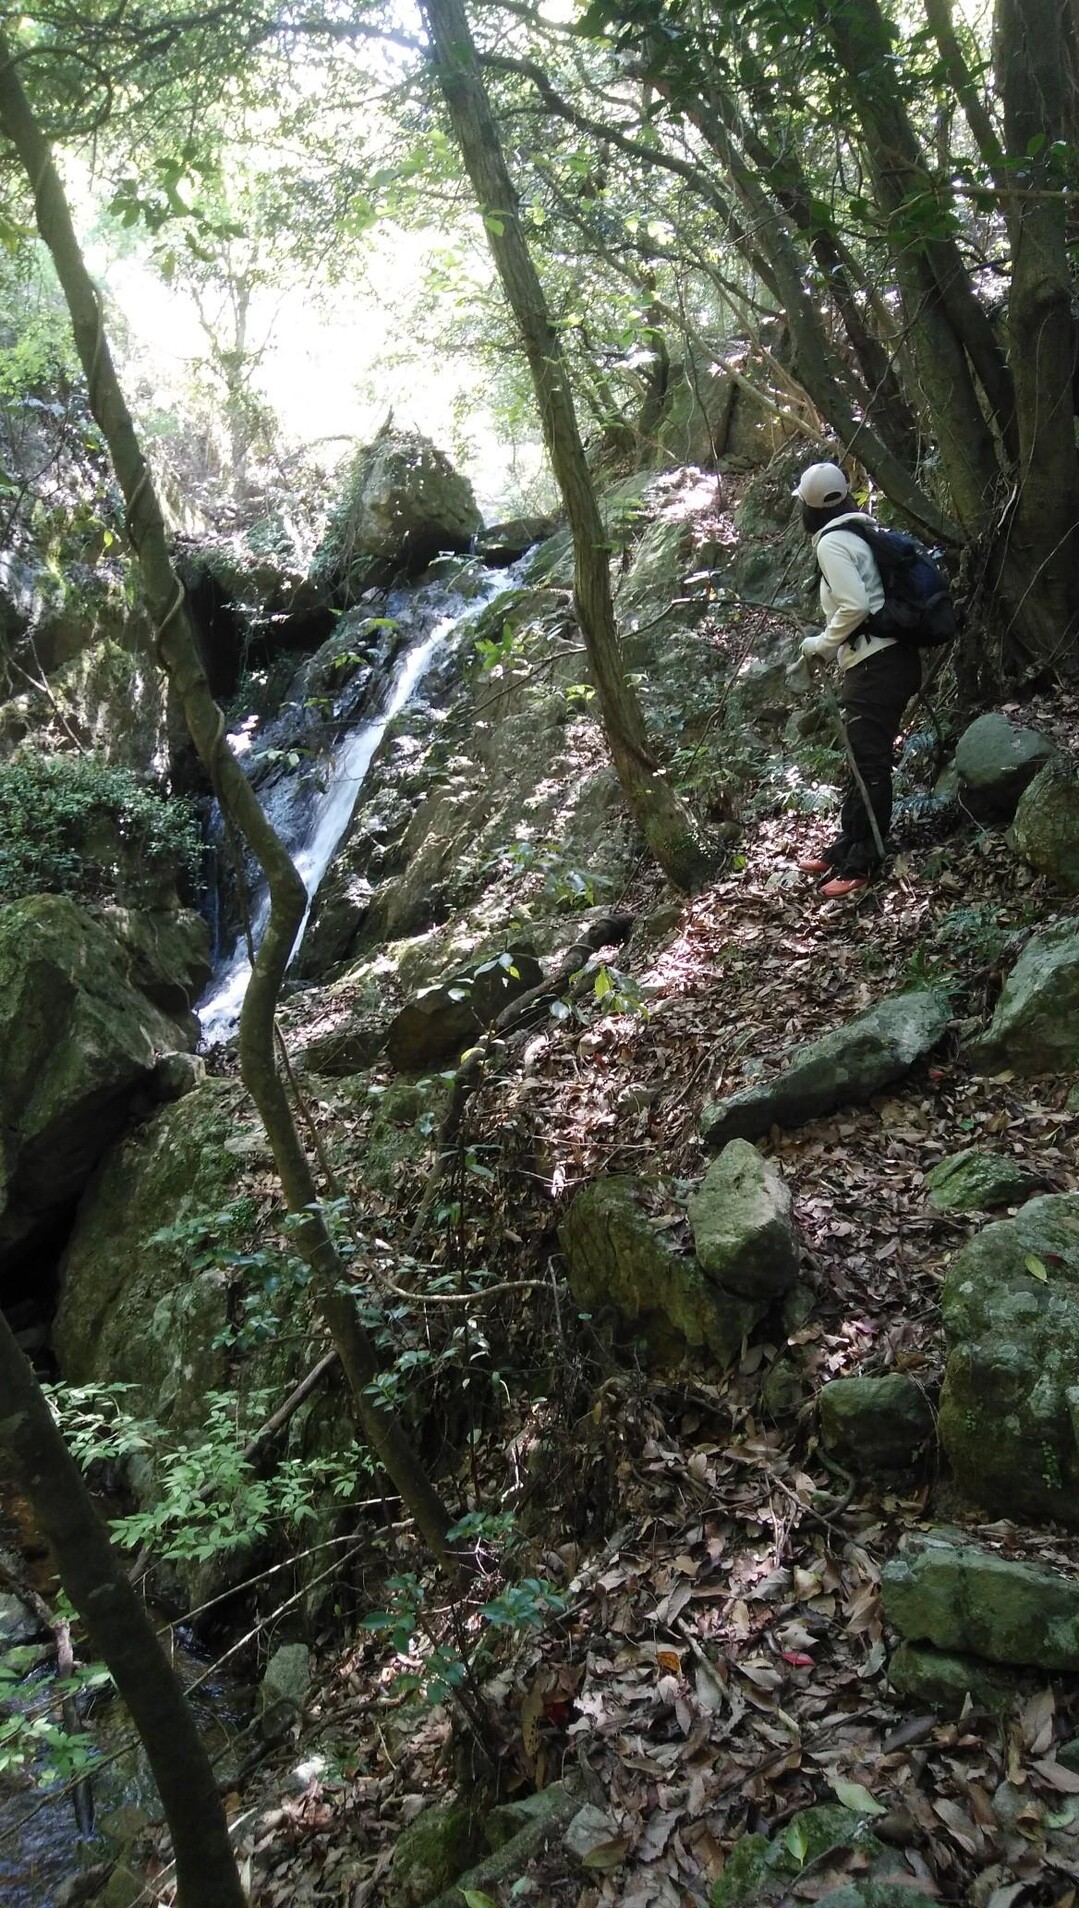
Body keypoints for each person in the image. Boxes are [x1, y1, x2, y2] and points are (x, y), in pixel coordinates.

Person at [793, 461, 920, 898]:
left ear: (809, 509)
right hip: (890, 660)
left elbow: (854, 605)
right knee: (861, 759)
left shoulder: (831, 543)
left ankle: (865, 860)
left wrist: (820, 645)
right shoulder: (862, 531)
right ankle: (847, 845)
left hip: (875, 665)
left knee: (869, 762)